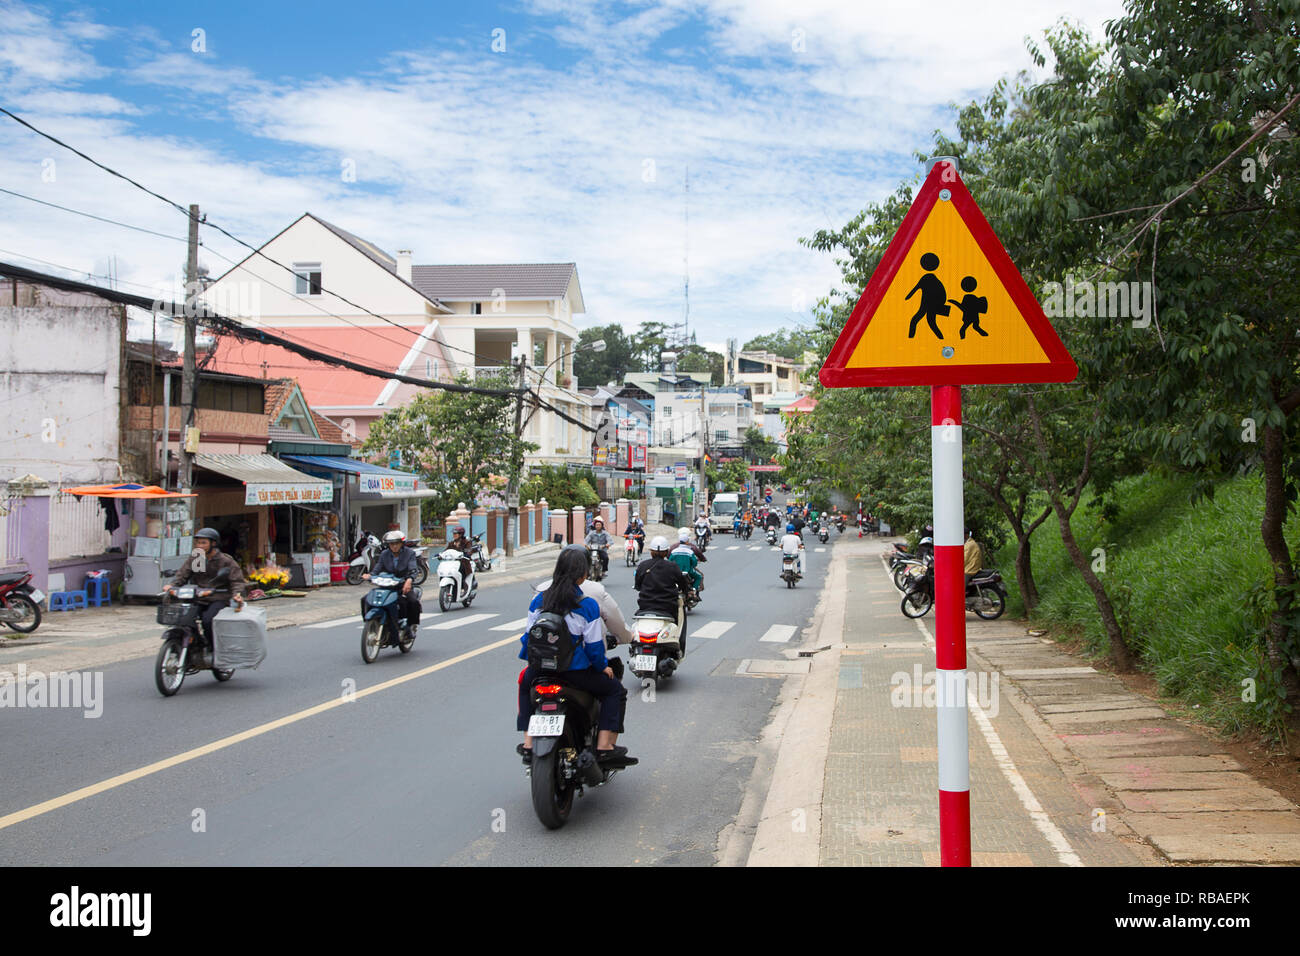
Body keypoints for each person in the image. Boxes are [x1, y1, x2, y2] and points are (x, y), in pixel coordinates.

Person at [516, 548, 633, 766]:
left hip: (542, 671)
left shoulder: (539, 600)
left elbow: (527, 639)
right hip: (576, 673)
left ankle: (528, 743)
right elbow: (594, 647)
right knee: (614, 690)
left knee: (524, 683)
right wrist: (602, 668)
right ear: (583, 575)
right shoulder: (587, 605)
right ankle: (605, 746)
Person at [538, 544, 633, 645]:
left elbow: (528, 639)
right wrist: (628, 637)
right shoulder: (591, 598)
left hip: (541, 657)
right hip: (579, 659)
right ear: (584, 571)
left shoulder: (540, 592)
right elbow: (597, 644)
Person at [167, 527, 246, 647]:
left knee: (207, 621)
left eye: (203, 543)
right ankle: (194, 644)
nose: (200, 545)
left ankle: (212, 647)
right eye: (198, 542)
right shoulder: (196, 558)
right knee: (184, 618)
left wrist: (237, 595)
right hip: (199, 597)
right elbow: (183, 574)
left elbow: (237, 581)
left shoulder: (226, 561)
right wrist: (172, 586)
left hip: (218, 597)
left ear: (213, 543)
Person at [633, 536, 694, 653]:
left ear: (651, 551)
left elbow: (638, 585)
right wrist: (687, 592)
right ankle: (677, 649)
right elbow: (683, 584)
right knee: (677, 625)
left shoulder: (643, 565)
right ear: (666, 552)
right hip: (668, 607)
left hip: (645, 607)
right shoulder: (673, 567)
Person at [362, 530, 422, 632]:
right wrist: (370, 575)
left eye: (396, 543)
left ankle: (409, 626)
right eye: (391, 544)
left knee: (412, 602)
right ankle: (371, 623)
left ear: (401, 544)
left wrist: (409, 580)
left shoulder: (409, 553)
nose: (394, 546)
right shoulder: (384, 554)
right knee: (365, 599)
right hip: (387, 586)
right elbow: (377, 568)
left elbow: (413, 569)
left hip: (402, 585)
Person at [670, 528, 704, 594]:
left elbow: (670, 561)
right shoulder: (690, 551)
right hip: (688, 572)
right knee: (699, 577)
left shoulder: (673, 550)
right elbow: (694, 563)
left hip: (675, 572)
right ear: (687, 541)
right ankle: (693, 590)